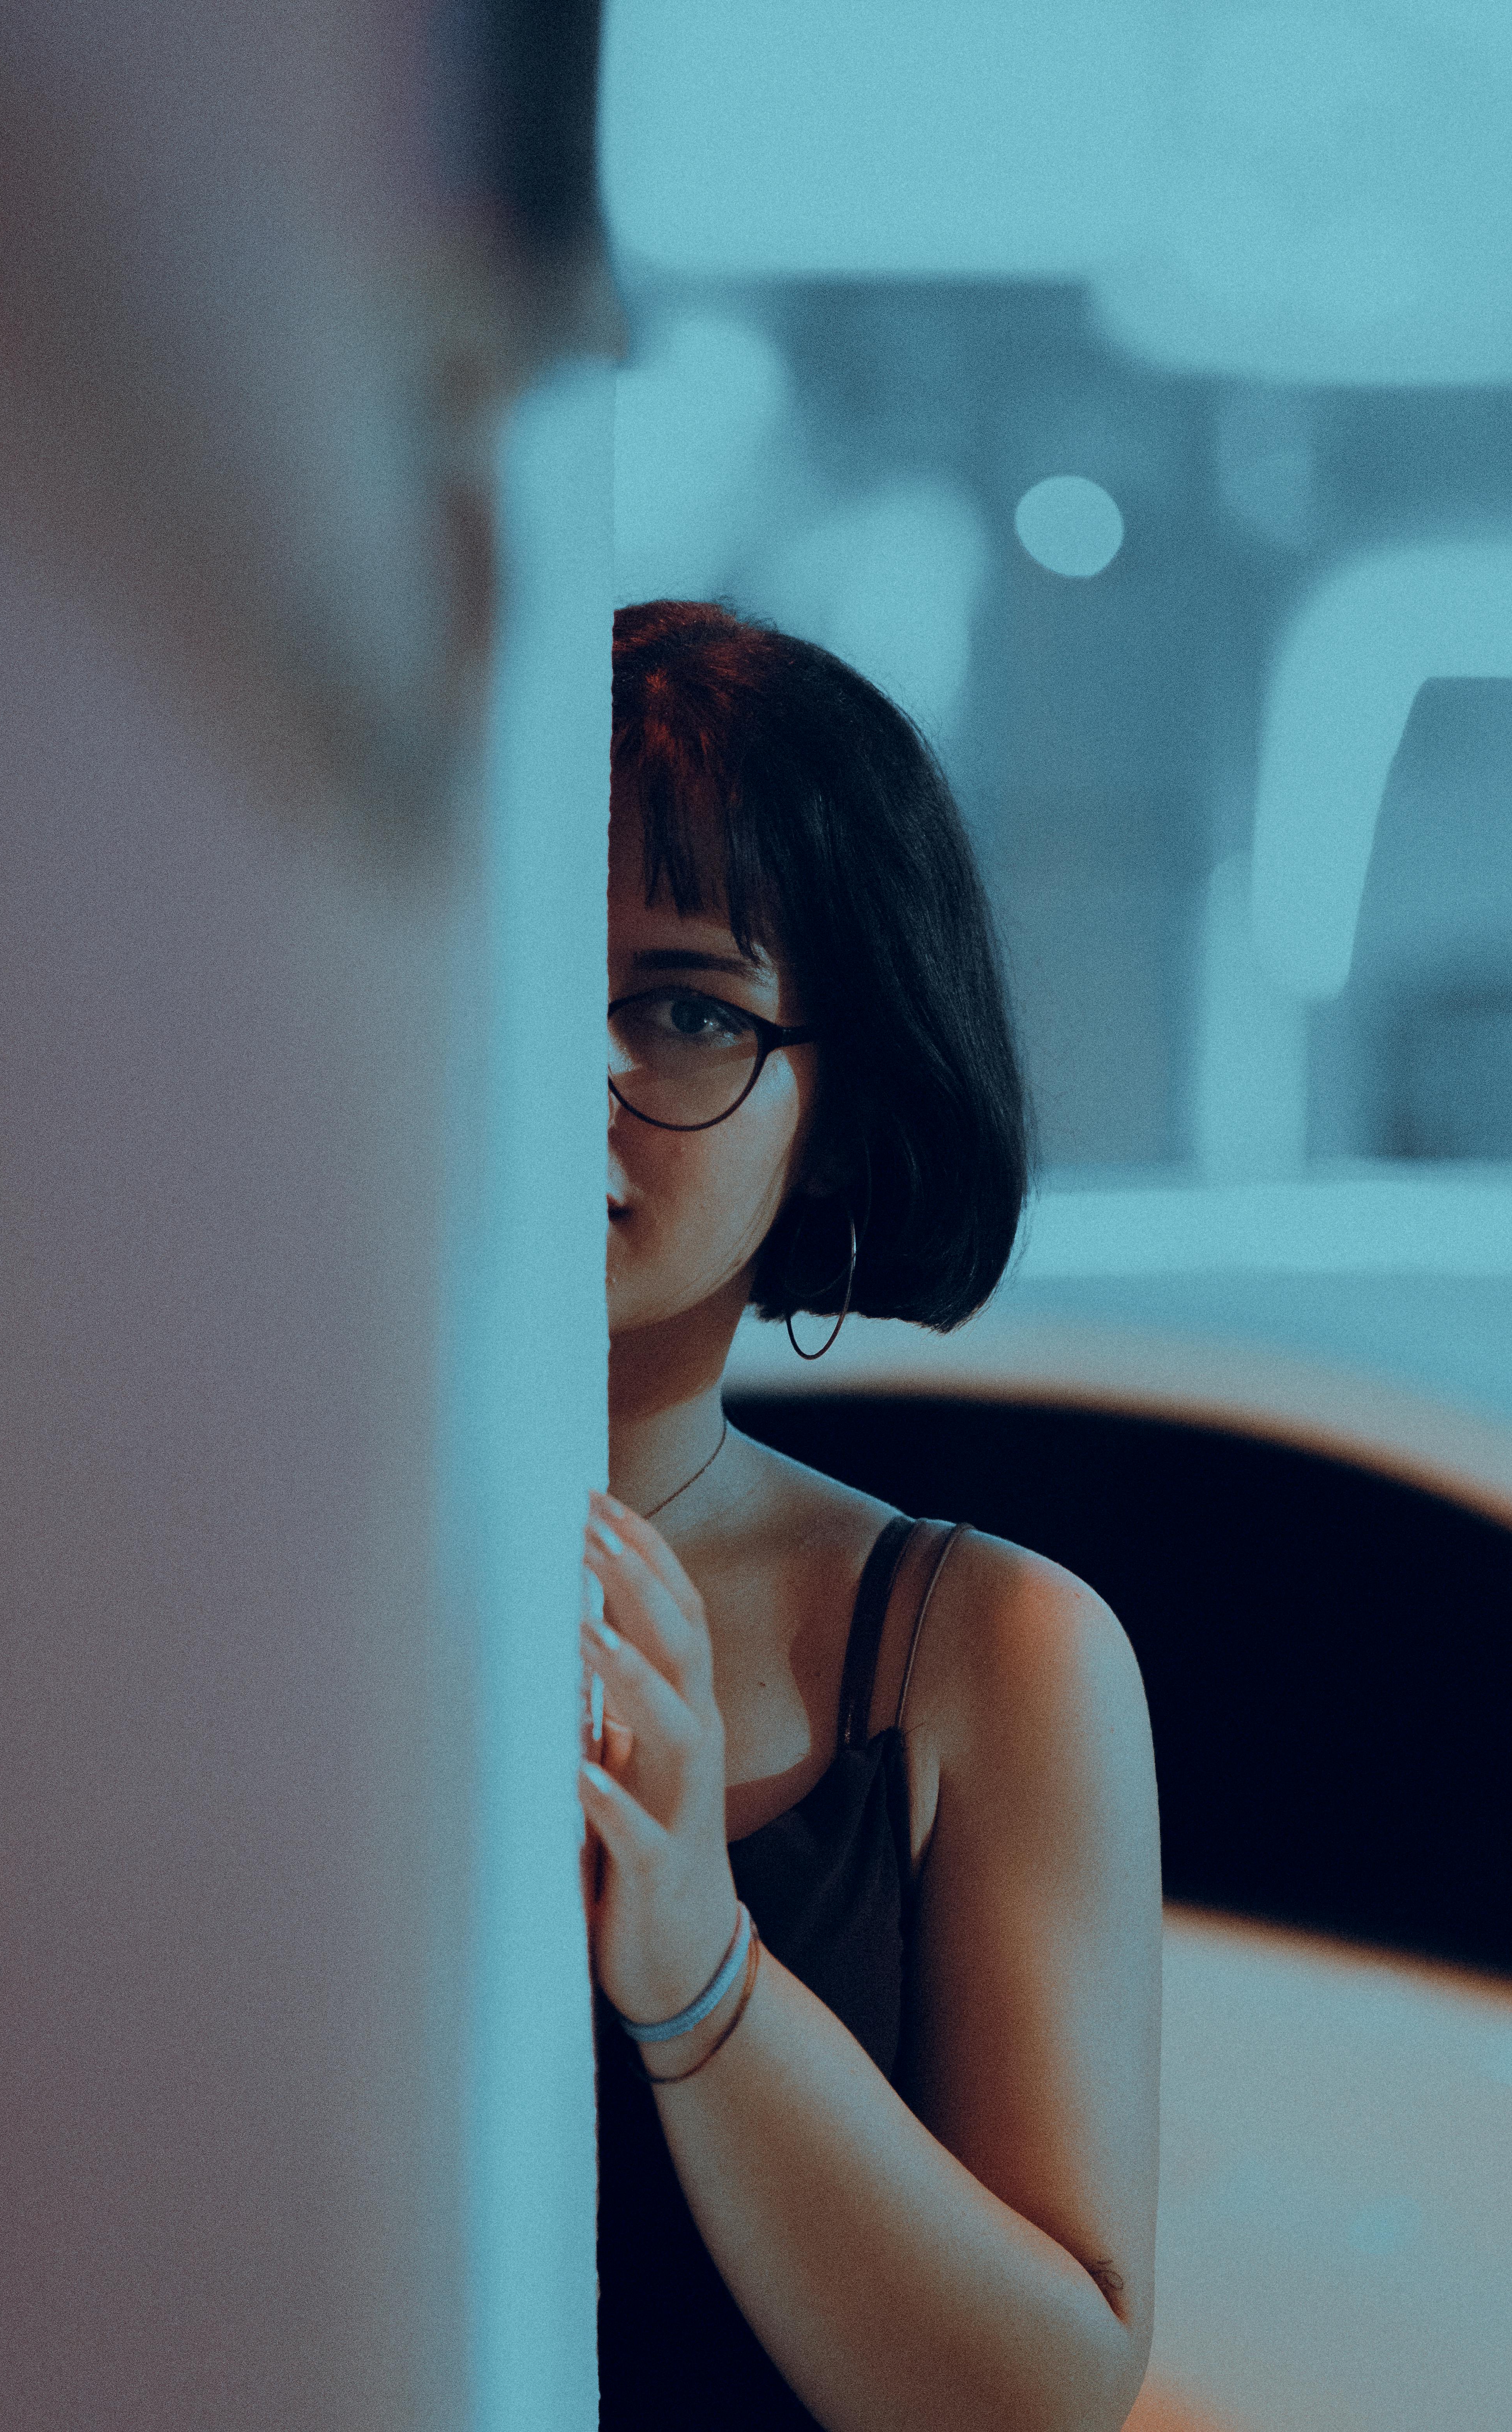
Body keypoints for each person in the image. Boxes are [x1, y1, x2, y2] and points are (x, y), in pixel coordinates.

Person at [580, 599, 1162, 2432]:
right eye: (515, 986)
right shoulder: (212, 1579)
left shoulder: (982, 1649)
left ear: (832, 1115)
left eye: (684, 1007)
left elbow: (1039, 2397)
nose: (581, 1072)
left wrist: (695, 1967)